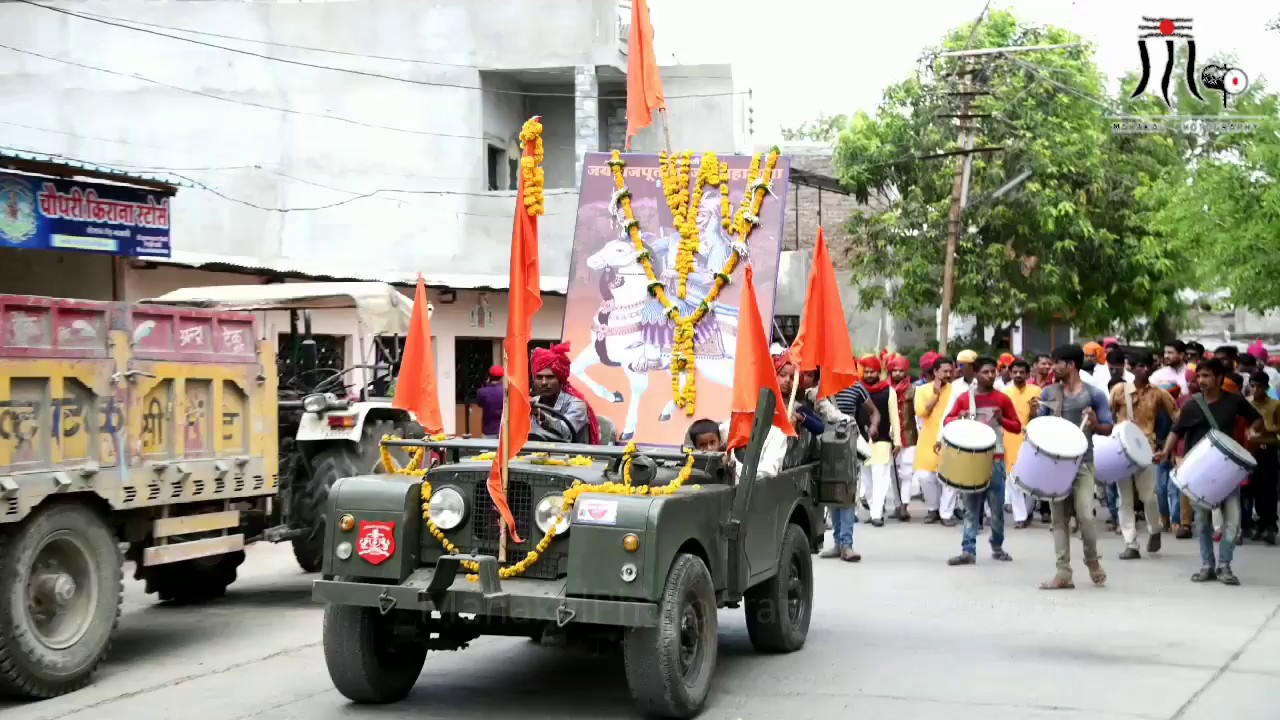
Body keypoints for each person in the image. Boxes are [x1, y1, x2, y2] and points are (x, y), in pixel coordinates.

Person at [1154, 359, 1265, 585]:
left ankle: (1225, 565)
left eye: (1206, 376)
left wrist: (1253, 432)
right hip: (1199, 472)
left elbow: (1257, 419)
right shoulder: (1192, 405)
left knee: (1233, 522)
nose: (1201, 381)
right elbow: (1177, 431)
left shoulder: (1234, 400)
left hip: (1228, 471)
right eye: (1199, 377)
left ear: (1219, 378)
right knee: (1202, 521)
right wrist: (1165, 452)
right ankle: (1207, 566)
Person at [1034, 343, 1113, 590]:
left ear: (1070, 365)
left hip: (1083, 462)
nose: (1051, 367)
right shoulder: (1048, 393)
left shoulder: (1094, 394)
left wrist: (1095, 423)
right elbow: (1040, 427)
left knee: (1085, 516)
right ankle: (1063, 572)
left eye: (1056, 363)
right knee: (1059, 520)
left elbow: (1108, 428)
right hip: (1055, 462)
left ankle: (1092, 560)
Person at [943, 356, 1021, 565]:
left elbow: (1016, 426)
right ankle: (968, 550)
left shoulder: (1002, 399)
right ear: (976, 374)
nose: (990, 375)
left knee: (996, 507)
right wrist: (959, 417)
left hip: (995, 458)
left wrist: (1001, 420)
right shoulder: (963, 398)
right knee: (971, 507)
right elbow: (947, 421)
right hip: (971, 459)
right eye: (985, 372)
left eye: (992, 372)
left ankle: (997, 545)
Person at [1109, 352, 1177, 560]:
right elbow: (1111, 415)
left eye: (1148, 366)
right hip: (1121, 448)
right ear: (1131, 367)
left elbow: (1177, 417)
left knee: (1148, 496)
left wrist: (1166, 446)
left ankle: (1154, 529)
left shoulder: (1158, 393)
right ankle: (1131, 543)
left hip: (1145, 448)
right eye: (1139, 365)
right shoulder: (1119, 390)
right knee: (1125, 499)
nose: (1144, 369)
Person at [913, 356, 959, 525]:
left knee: (950, 477)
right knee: (925, 476)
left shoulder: (956, 390)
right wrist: (936, 395)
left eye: (950, 371)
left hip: (952, 439)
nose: (948, 374)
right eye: (944, 371)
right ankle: (933, 508)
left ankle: (946, 513)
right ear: (935, 372)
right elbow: (920, 412)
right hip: (929, 438)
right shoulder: (923, 390)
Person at [858, 356, 903, 527]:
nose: (869, 375)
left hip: (883, 439)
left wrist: (897, 440)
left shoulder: (888, 390)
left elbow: (895, 417)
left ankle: (877, 514)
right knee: (867, 480)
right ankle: (873, 510)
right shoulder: (858, 388)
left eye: (872, 372)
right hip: (862, 441)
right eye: (866, 371)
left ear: (879, 372)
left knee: (880, 478)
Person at [530, 344, 601, 444]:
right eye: (539, 377)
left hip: (572, 457)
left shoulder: (577, 404)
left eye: (550, 377)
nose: (544, 382)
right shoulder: (531, 402)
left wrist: (541, 415)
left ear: (560, 381)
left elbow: (567, 432)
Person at [1003, 359, 1041, 528]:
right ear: (1010, 374)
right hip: (1009, 438)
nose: (1018, 375)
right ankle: (1020, 517)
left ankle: (1028, 511)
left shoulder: (1036, 391)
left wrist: (1034, 413)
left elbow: (1042, 417)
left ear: (1027, 374)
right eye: (1015, 372)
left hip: (1031, 439)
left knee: (1031, 478)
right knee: (1012, 478)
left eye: (1021, 372)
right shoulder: (1004, 392)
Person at [1244, 372, 1279, 546]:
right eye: (1252, 386)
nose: (1255, 389)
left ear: (1266, 387)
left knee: (1268, 491)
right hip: (1249, 453)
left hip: (1268, 451)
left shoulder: (1275, 405)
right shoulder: (1246, 404)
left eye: (1259, 386)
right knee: (1250, 491)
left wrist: (1264, 435)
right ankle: (1253, 524)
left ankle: (1270, 526)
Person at [890, 355, 917, 519]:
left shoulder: (914, 390)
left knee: (906, 472)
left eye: (901, 370)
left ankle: (904, 506)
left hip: (909, 436)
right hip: (890, 436)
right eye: (895, 370)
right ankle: (897, 505)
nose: (898, 373)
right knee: (893, 472)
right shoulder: (885, 390)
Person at [473, 366, 505, 438]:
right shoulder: (507, 392)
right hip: (504, 429)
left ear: (489, 376)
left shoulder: (482, 392)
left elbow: (479, 404)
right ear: (502, 377)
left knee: (488, 448)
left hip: (488, 430)